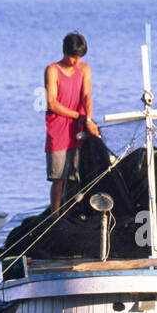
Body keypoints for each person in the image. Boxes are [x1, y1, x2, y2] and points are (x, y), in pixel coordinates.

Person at [45, 32, 102, 214]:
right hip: (58, 128)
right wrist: (80, 116)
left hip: (77, 128)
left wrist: (89, 119)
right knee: (58, 177)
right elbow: (52, 103)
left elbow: (87, 95)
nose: (76, 61)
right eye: (72, 57)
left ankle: (69, 213)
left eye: (79, 57)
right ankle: (55, 216)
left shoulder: (84, 68)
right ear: (64, 51)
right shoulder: (53, 70)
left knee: (73, 178)